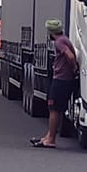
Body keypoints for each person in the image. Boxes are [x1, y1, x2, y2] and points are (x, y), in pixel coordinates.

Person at [31, 18, 77, 147]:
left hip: (61, 79)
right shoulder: (65, 39)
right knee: (55, 108)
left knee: (53, 109)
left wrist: (74, 67)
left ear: (51, 32)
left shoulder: (59, 42)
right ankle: (48, 136)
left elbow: (70, 55)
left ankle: (51, 139)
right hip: (64, 79)